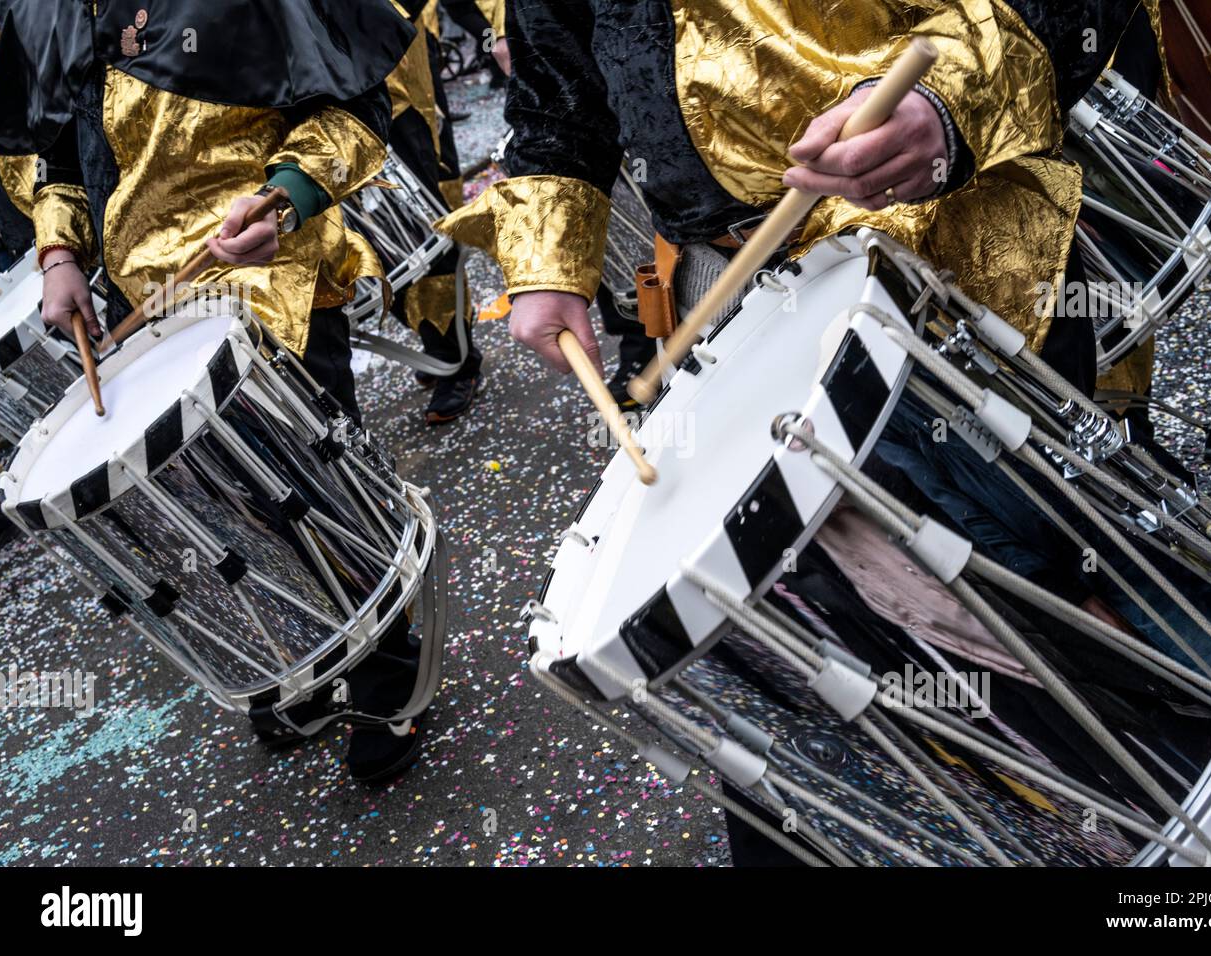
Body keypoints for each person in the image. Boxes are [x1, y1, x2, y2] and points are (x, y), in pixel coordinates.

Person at [437, 0, 1148, 864]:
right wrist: (547, 260)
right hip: (729, 312)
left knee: (1063, 675)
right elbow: (557, 95)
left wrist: (947, 101)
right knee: (800, 697)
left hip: (949, 265)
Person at [0, 0, 436, 783]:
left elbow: (355, 103)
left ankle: (387, 672)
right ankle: (319, 654)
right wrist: (59, 251)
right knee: (243, 509)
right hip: (151, 311)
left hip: (269, 280)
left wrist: (286, 194)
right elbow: (58, 148)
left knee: (323, 489)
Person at [384, 1, 485, 424]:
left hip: (399, 84)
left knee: (428, 222)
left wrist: (484, 31)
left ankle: (458, 360)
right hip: (320, 101)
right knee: (378, 238)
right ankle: (435, 341)